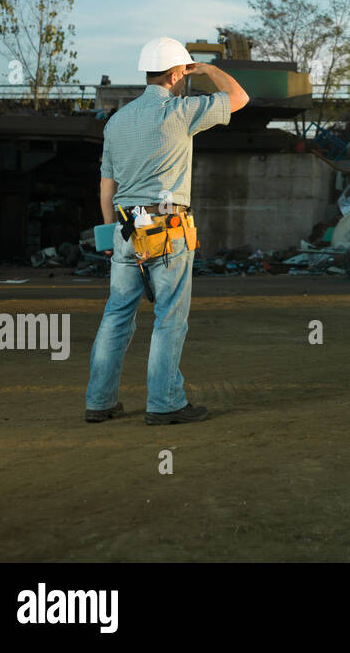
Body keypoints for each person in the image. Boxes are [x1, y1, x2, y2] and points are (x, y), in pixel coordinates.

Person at [85, 37, 249, 425]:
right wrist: (207, 69)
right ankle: (165, 403)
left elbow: (106, 185)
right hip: (167, 230)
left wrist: (109, 233)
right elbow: (239, 98)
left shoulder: (116, 121)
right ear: (177, 74)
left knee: (116, 316)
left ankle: (99, 402)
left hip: (125, 230)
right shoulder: (180, 110)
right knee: (169, 317)